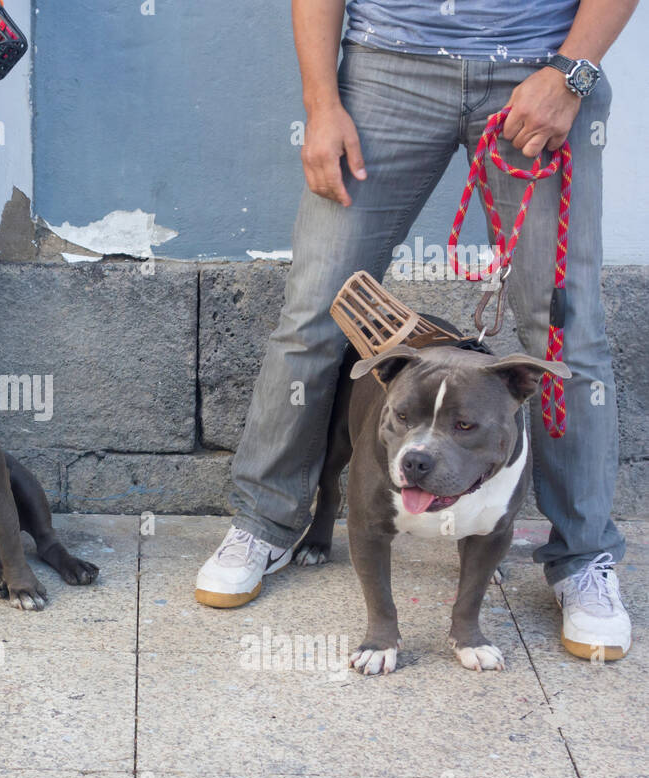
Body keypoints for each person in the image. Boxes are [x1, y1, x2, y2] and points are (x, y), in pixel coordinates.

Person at [195, 0, 637, 660]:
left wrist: (571, 72)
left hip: (538, 70)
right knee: (316, 312)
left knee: (567, 332)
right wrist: (322, 102)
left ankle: (582, 560)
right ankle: (266, 520)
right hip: (384, 68)